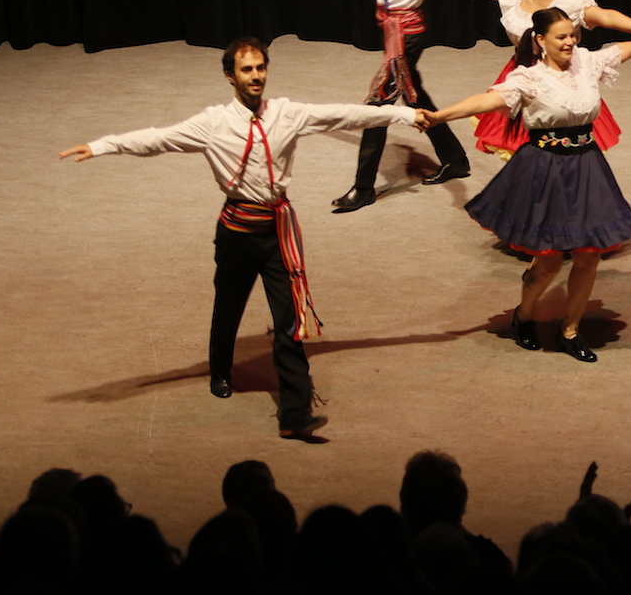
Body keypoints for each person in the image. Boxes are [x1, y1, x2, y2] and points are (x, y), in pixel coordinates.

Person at [58, 38, 429, 441]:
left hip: (277, 233)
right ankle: (220, 370)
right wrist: (100, 146)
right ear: (230, 76)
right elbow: (157, 139)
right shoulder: (212, 123)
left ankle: (295, 413)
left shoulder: (288, 113)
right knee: (228, 307)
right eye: (247, 70)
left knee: (289, 321)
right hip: (236, 231)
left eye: (260, 68)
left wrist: (404, 115)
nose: (256, 77)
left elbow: (344, 115)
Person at [422, 10, 631, 362]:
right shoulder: (528, 79)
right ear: (540, 41)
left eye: (572, 34)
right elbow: (486, 101)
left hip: (587, 166)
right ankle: (524, 315)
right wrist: (439, 117)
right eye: (561, 37)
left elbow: (620, 52)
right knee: (549, 262)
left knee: (589, 256)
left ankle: (570, 330)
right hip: (545, 169)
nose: (570, 41)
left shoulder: (585, 62)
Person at [288, 0, 471, 212]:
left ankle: (364, 187)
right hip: (390, 29)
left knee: (377, 108)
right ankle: (455, 159)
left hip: (407, 34)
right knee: (415, 95)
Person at [441, 0, 631, 158]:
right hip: (524, 74)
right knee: (522, 147)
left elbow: (606, 16)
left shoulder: (571, 1)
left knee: (561, 141)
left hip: (560, 76)